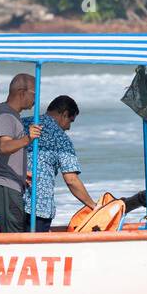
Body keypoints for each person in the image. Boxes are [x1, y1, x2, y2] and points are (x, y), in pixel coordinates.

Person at [21, 95, 96, 232]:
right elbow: (71, 180)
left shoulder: (23, 123)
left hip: (13, 200)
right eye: (70, 122)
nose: (68, 128)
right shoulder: (61, 139)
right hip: (39, 205)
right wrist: (93, 206)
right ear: (65, 114)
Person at [0, 72, 41, 233]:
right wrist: (28, 138)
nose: (37, 99)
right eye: (35, 93)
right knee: (13, 238)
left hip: (0, 183)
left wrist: (21, 172)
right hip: (3, 185)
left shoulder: (7, 113)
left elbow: (2, 153)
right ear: (22, 92)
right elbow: (4, 146)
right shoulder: (6, 115)